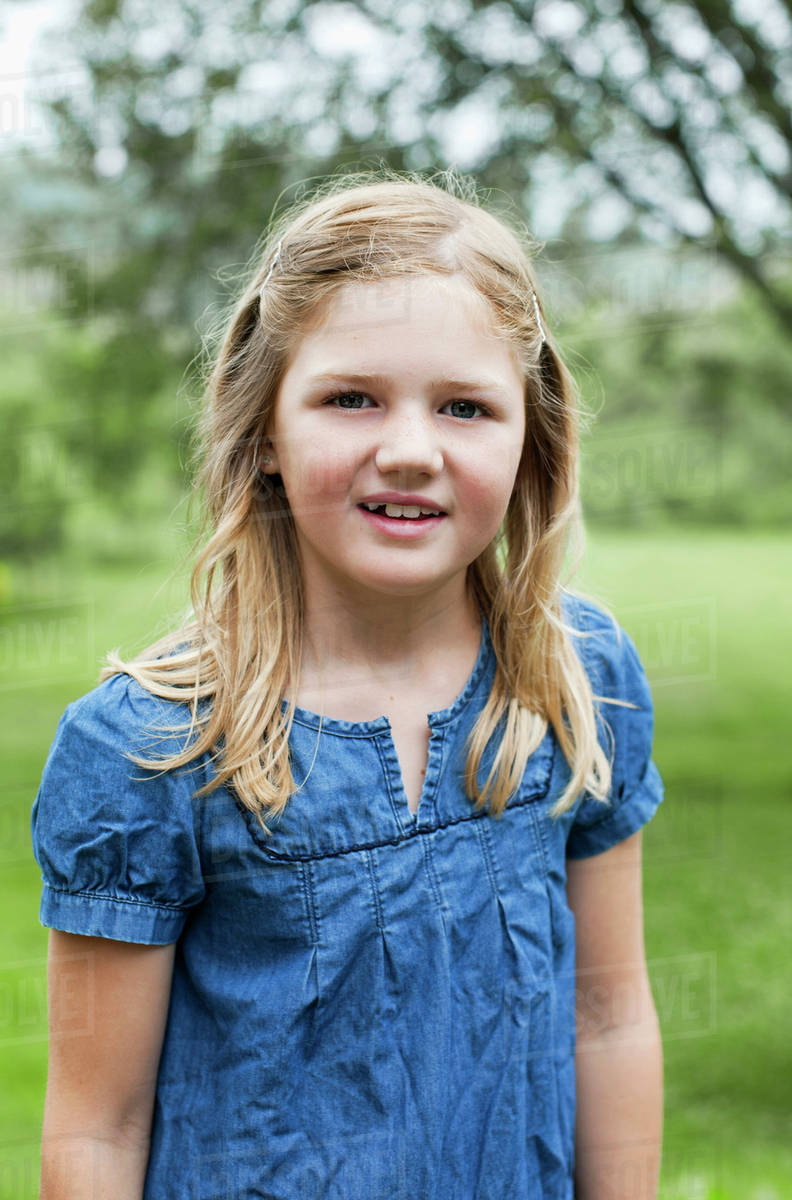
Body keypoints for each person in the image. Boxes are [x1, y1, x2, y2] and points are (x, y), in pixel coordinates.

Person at [31, 170, 664, 1199]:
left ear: (529, 441)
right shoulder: (151, 744)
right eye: (350, 399)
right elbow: (100, 1127)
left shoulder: (577, 681)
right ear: (265, 433)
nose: (409, 451)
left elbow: (610, 1016)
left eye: (465, 407)